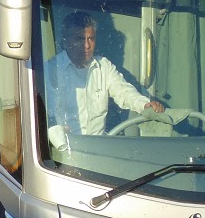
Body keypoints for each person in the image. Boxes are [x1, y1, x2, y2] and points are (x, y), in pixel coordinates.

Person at [45, 11, 164, 142]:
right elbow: (50, 112)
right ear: (66, 41)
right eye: (80, 39)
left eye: (91, 38)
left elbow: (124, 92)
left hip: (99, 149)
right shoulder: (51, 69)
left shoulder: (104, 66)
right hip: (66, 150)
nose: (87, 46)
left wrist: (145, 105)